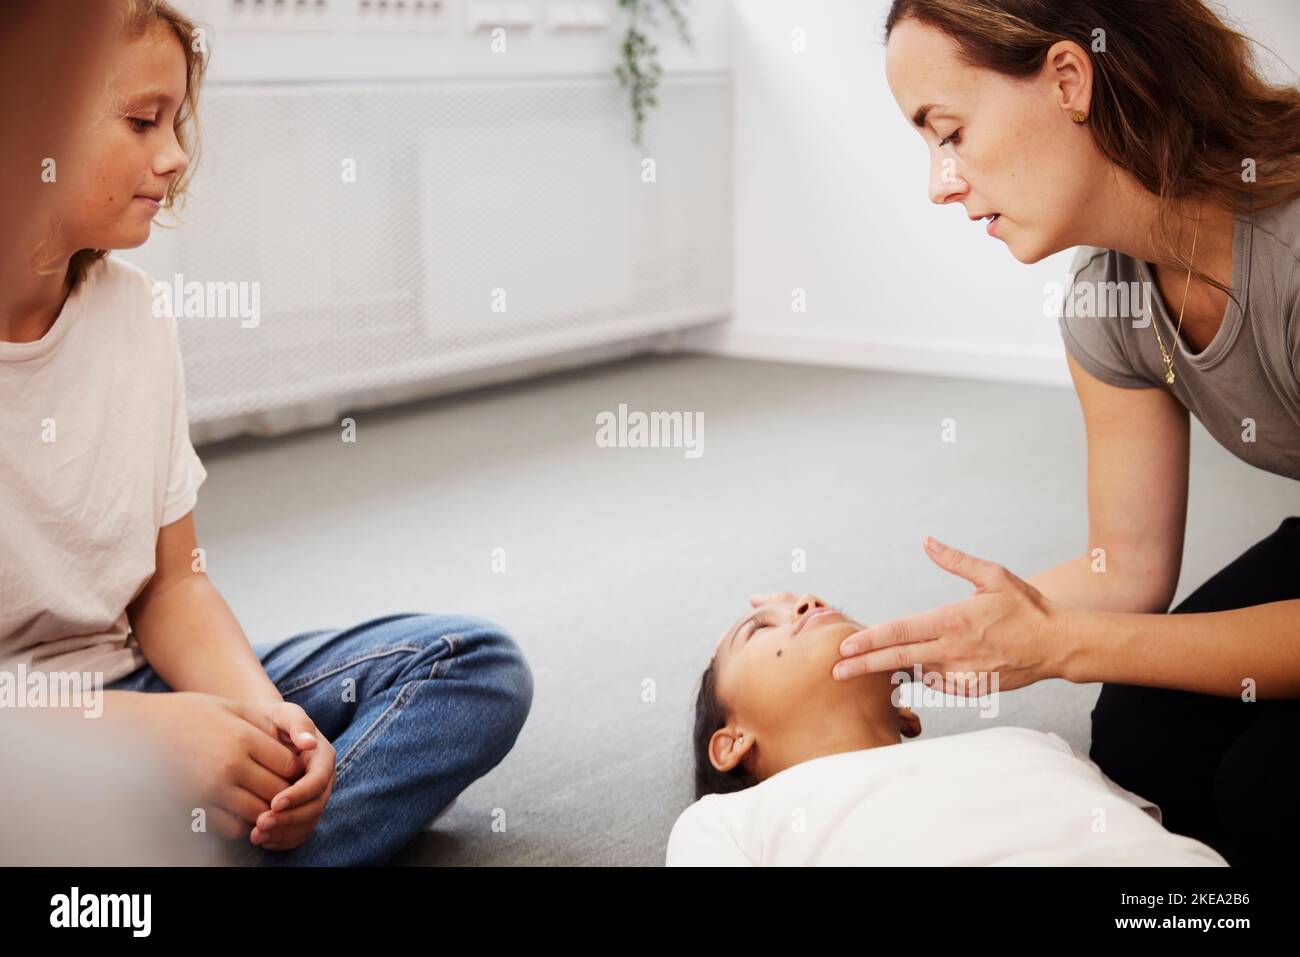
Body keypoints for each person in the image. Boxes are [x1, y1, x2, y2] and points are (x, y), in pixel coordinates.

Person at [0, 0, 533, 866]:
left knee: (473, 666)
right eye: (142, 121)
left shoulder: (136, 315)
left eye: (175, 122)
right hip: (28, 750)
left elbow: (171, 589)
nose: (174, 157)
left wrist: (259, 718)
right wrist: (143, 738)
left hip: (140, 684)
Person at [827, 0, 1300, 866]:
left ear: (1068, 79)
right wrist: (941, 638)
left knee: (1267, 786)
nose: (940, 182)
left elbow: (1095, 629)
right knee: (1138, 735)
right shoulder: (1106, 302)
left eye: (950, 131)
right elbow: (1124, 569)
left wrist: (1062, 645)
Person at [668, 594, 1227, 866]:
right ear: (732, 741)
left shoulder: (1026, 742)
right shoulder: (725, 821)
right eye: (760, 628)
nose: (808, 601)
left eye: (810, 600)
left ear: (907, 714)